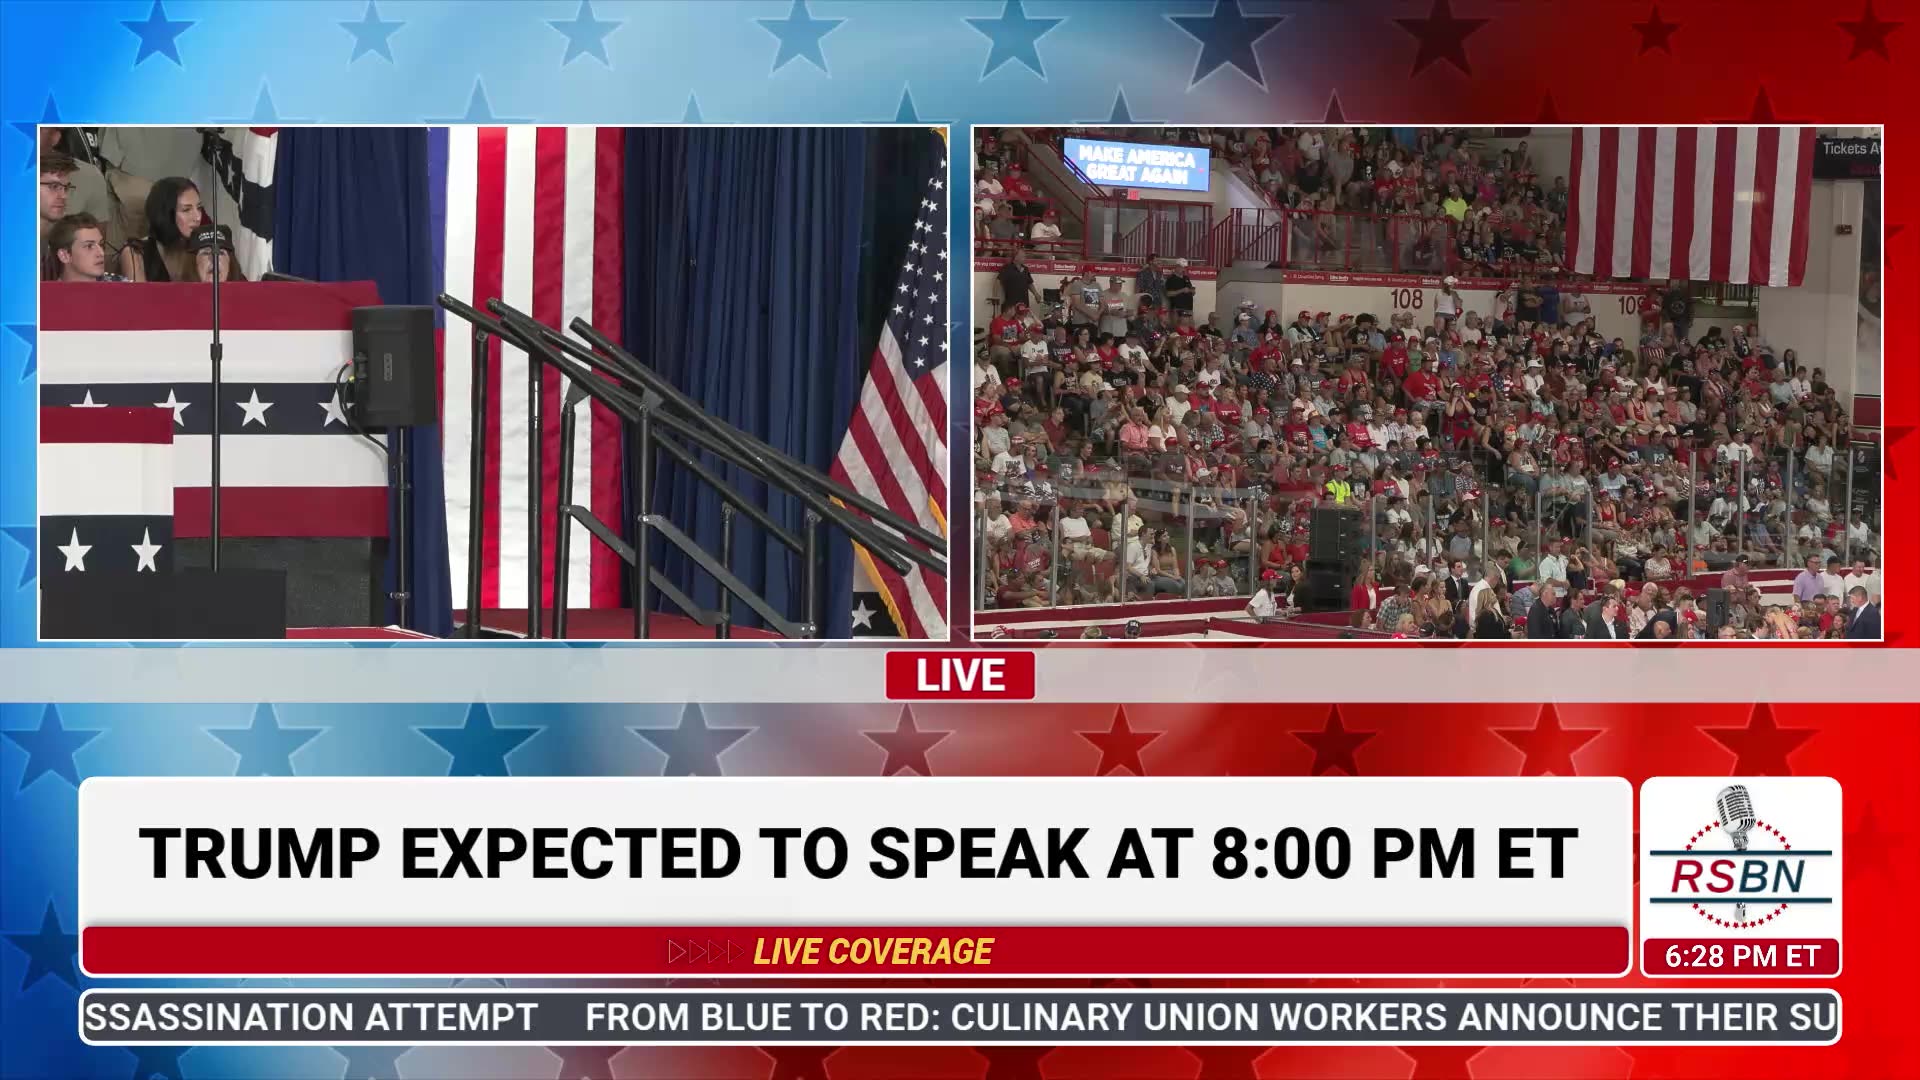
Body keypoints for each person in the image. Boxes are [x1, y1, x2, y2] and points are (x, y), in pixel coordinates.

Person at [120, 176, 205, 282]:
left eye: (199, 208)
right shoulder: (136, 253)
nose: (197, 217)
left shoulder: (205, 250)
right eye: (186, 210)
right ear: (165, 214)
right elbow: (139, 298)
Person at [45, 214, 122, 283]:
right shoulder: (44, 296)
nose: (101, 253)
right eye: (89, 246)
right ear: (64, 255)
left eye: (101, 244)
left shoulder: (122, 287)